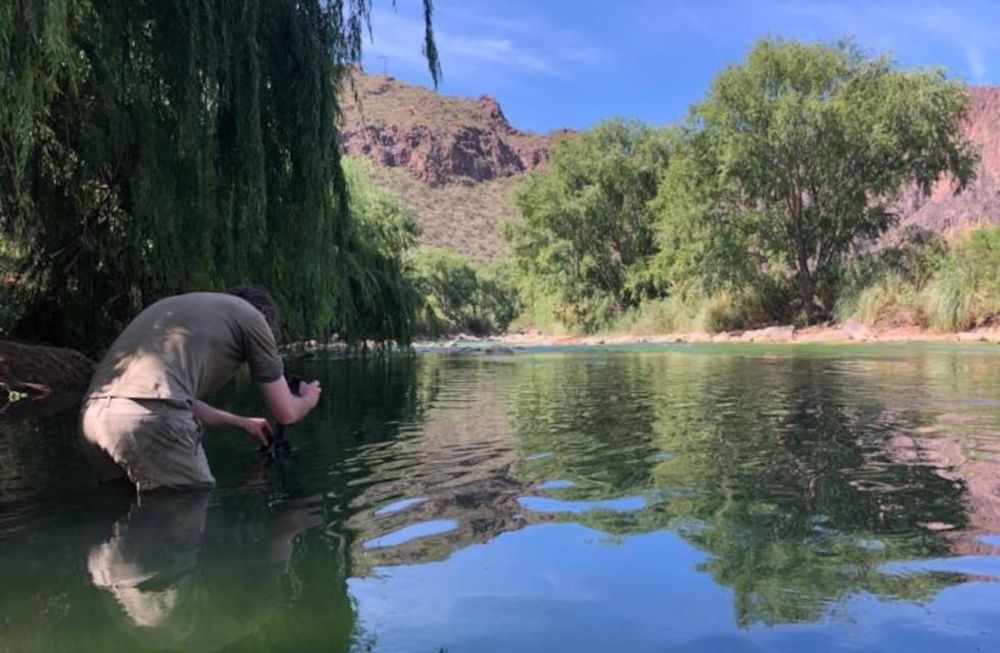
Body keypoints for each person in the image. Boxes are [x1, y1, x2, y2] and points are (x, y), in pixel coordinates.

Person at [80, 286, 321, 491]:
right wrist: (308, 399)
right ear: (265, 314)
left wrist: (240, 422)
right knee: (190, 508)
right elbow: (286, 412)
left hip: (94, 419)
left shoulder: (192, 311)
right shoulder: (253, 317)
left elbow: (168, 397)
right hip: (147, 420)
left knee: (122, 522)